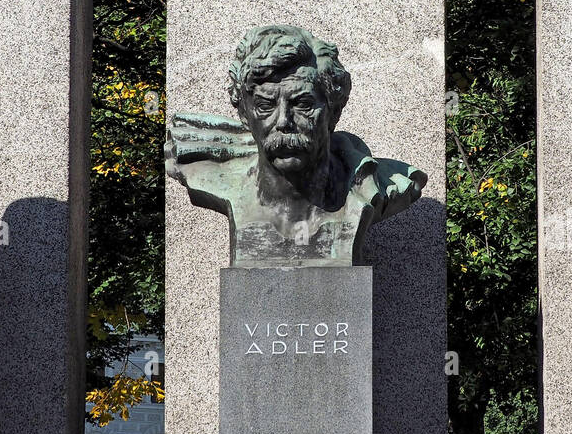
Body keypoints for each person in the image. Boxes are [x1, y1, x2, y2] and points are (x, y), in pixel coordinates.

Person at [165, 24, 425, 266]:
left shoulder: (384, 186)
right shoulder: (207, 175)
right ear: (245, 115)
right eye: (265, 106)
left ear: (333, 112)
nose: (283, 122)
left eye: (303, 104)